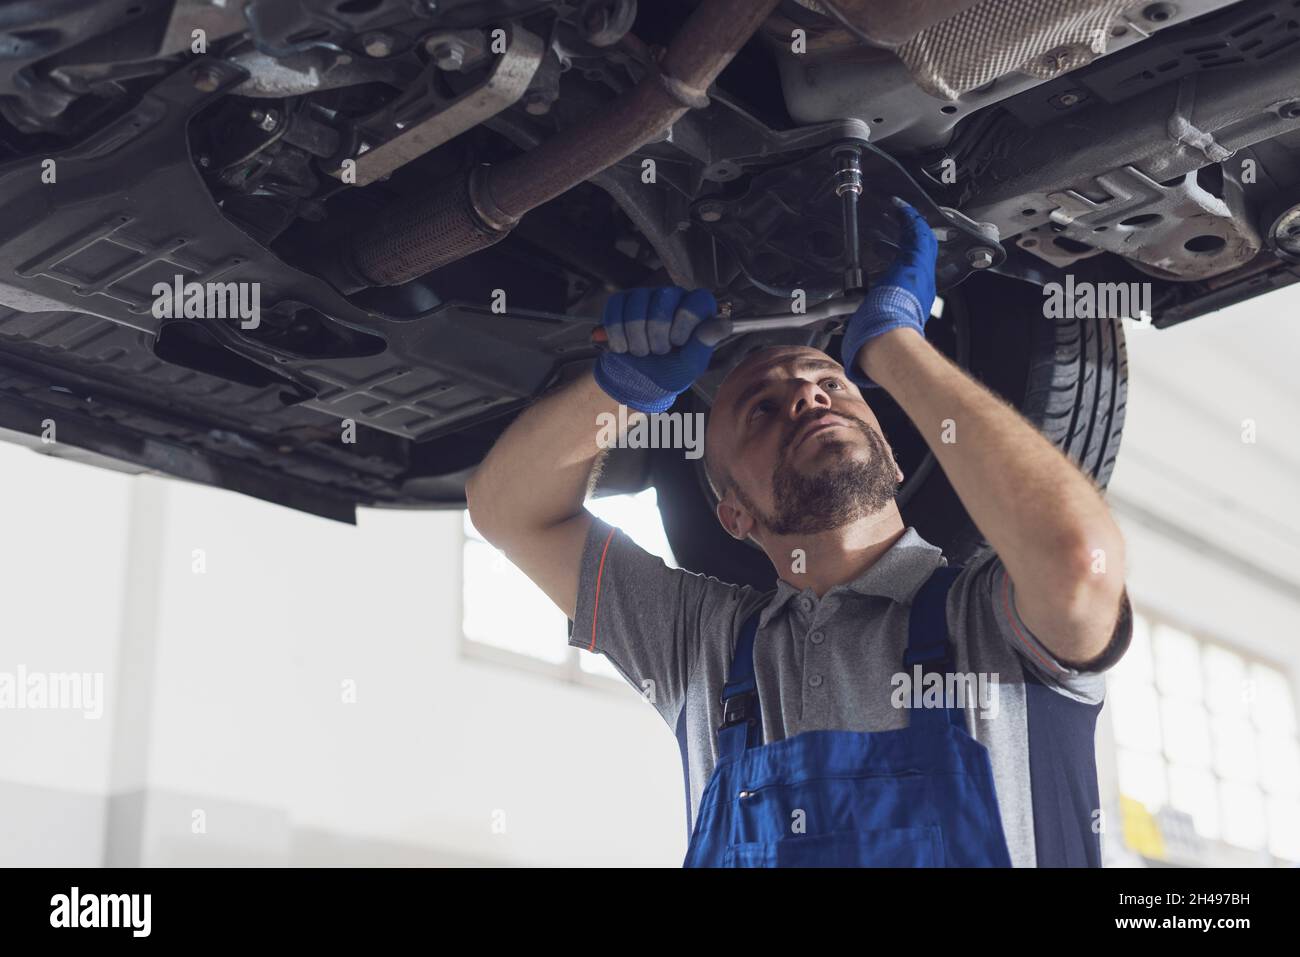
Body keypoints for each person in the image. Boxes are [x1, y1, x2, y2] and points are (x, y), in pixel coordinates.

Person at [466, 198, 1133, 867]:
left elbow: (1081, 562)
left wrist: (894, 344)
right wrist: (619, 388)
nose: (808, 397)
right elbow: (506, 510)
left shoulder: (985, 618)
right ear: (734, 515)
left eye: (833, 385)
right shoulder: (705, 647)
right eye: (761, 408)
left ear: (895, 457)